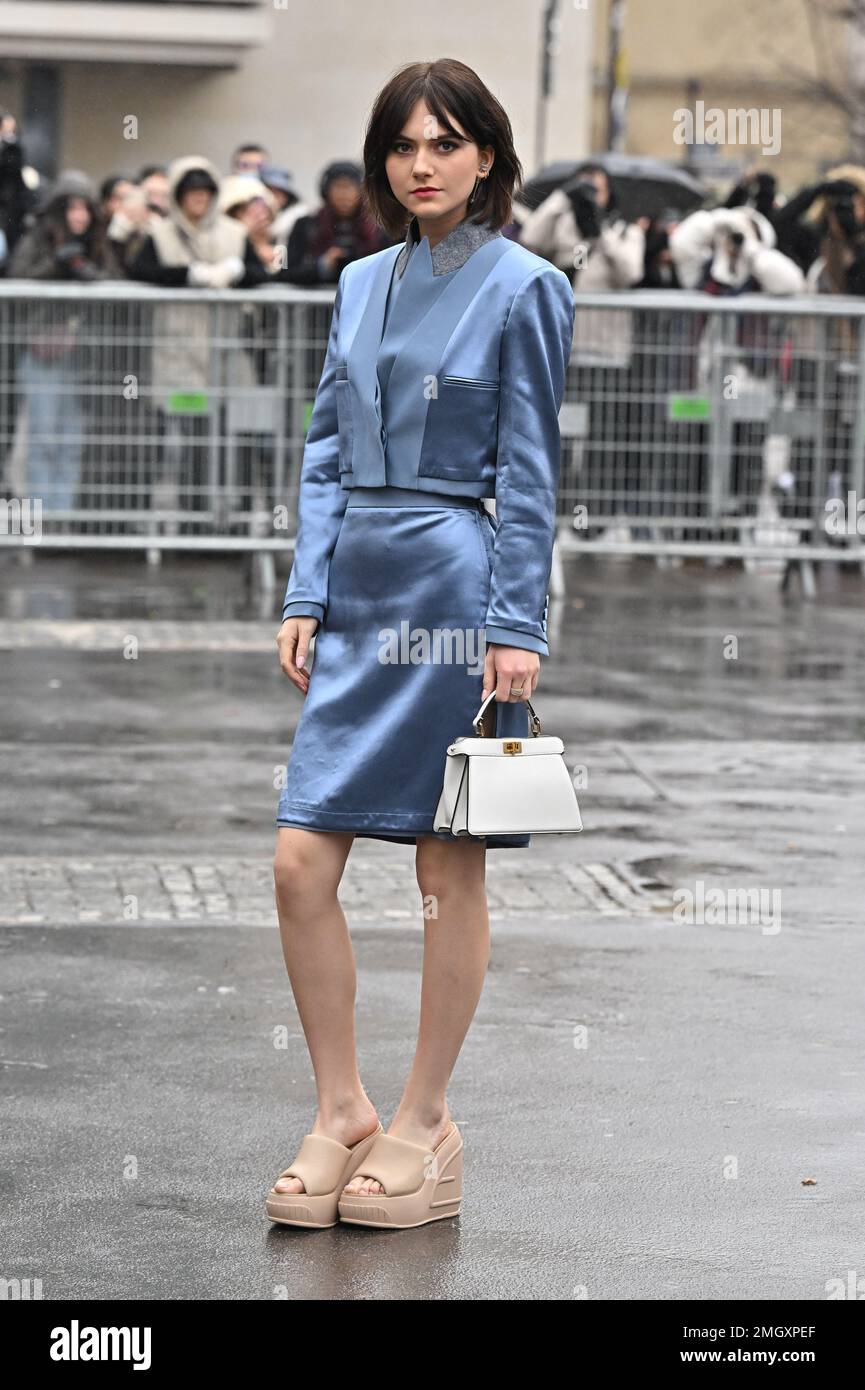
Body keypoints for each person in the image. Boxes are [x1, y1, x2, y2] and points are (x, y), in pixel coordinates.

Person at [266, 58, 575, 1231]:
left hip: (457, 586)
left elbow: (530, 469)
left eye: (445, 143)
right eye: (403, 145)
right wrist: (306, 587)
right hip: (356, 592)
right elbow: (327, 449)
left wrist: (513, 627)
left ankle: (424, 1115)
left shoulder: (525, 284)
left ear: (486, 156)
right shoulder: (356, 283)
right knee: (301, 860)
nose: (422, 163)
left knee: (447, 869)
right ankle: (340, 1106)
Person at [282, 159, 387, 285]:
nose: (343, 195)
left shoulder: (378, 229)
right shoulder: (306, 225)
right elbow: (286, 272)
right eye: (338, 187)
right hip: (315, 302)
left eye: (349, 187)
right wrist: (322, 265)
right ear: (326, 191)